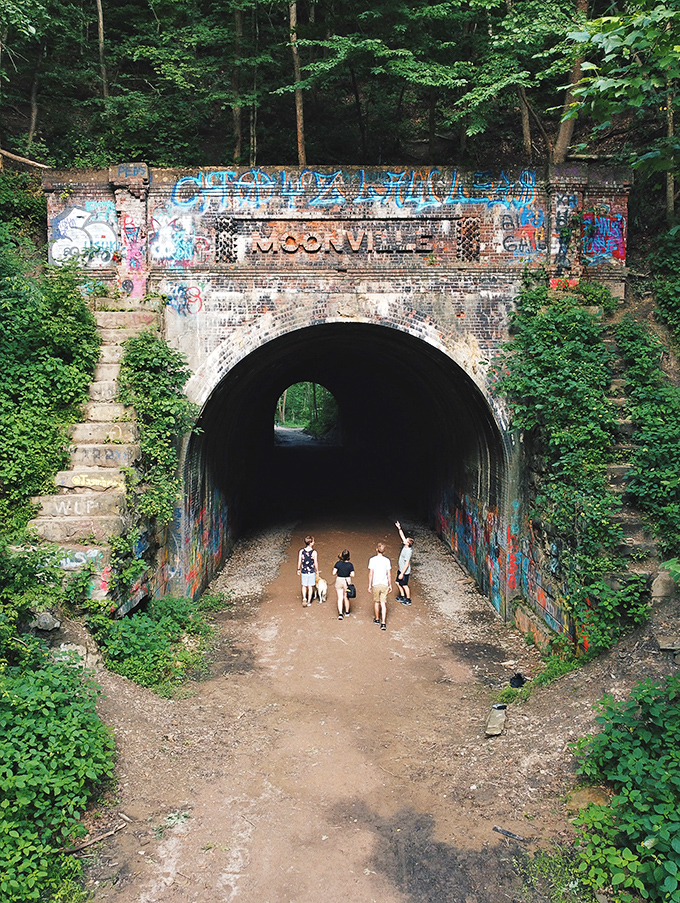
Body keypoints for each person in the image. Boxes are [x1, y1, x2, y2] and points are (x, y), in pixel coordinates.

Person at [368, 542, 392, 630]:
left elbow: (371, 573)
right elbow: (389, 574)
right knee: (383, 603)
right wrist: (390, 584)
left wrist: (369, 585)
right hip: (384, 584)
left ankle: (377, 618)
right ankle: (383, 623)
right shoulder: (387, 560)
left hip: (376, 583)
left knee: (376, 602)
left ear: (376, 550)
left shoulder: (372, 560)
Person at [395, 521, 414, 604]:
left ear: (408, 544)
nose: (404, 540)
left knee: (404, 585)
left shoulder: (408, 552)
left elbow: (407, 563)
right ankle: (402, 596)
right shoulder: (405, 546)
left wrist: (402, 573)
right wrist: (399, 528)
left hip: (404, 571)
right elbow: (402, 536)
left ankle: (408, 599)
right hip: (401, 569)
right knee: (397, 582)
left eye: (406, 540)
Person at [297, 535, 319, 607]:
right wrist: (317, 571)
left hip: (304, 570)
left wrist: (298, 569)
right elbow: (315, 562)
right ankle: (309, 601)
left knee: (304, 585)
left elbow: (299, 561)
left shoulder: (301, 551)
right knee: (310, 587)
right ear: (311, 543)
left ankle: (304, 598)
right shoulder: (314, 552)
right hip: (311, 571)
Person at [332, 550, 355, 620]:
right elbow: (353, 575)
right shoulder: (350, 565)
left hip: (339, 580)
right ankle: (347, 612)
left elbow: (333, 573)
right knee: (346, 596)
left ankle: (340, 613)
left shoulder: (338, 564)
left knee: (340, 597)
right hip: (347, 580)